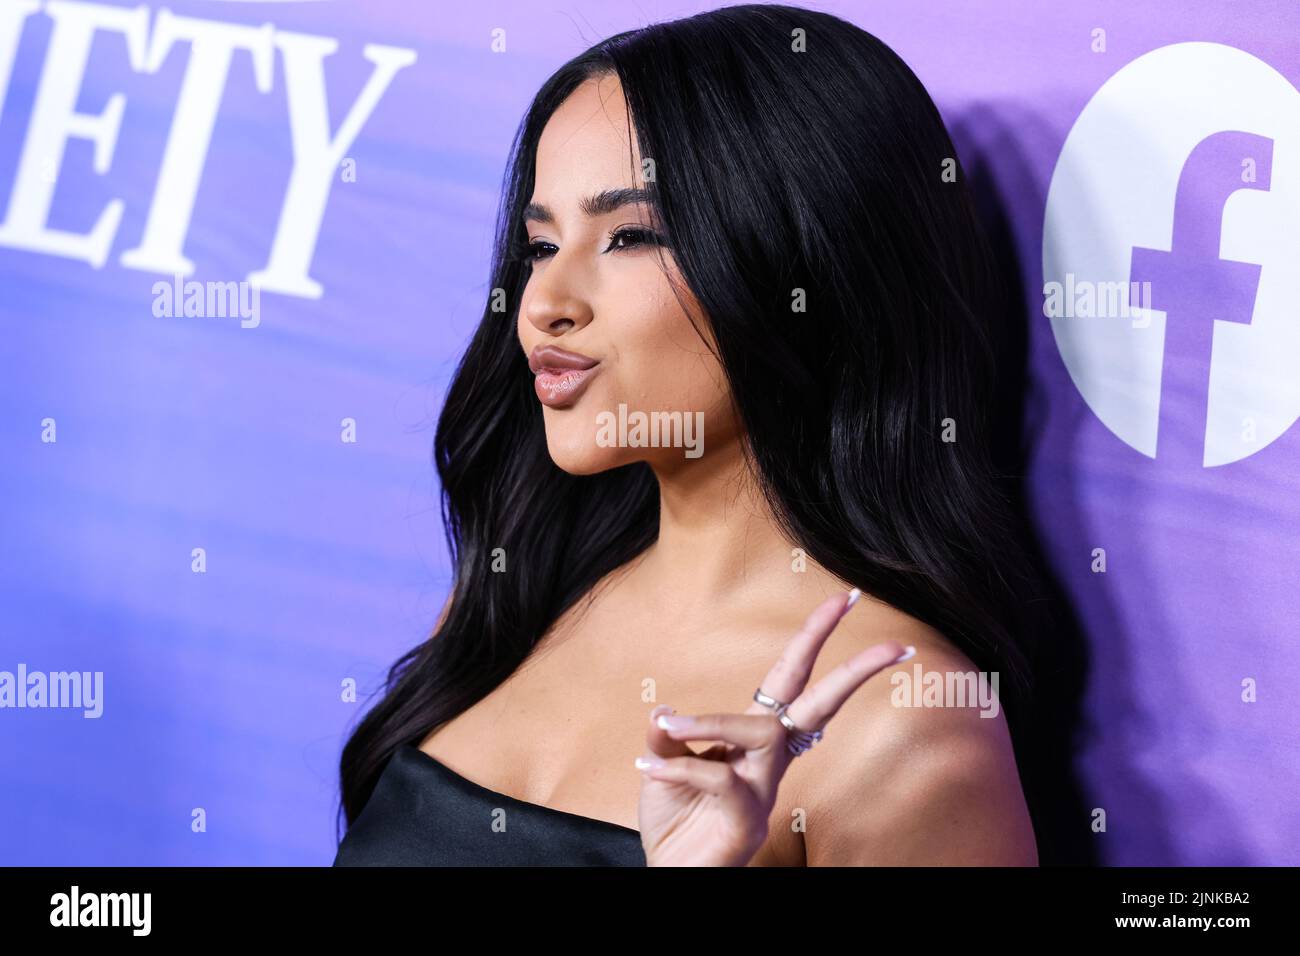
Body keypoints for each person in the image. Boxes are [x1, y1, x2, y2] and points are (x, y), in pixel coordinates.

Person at [333, 3, 1041, 867]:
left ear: (802, 262)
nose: (546, 302)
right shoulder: (520, 592)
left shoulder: (905, 718)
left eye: (630, 236)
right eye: (541, 243)